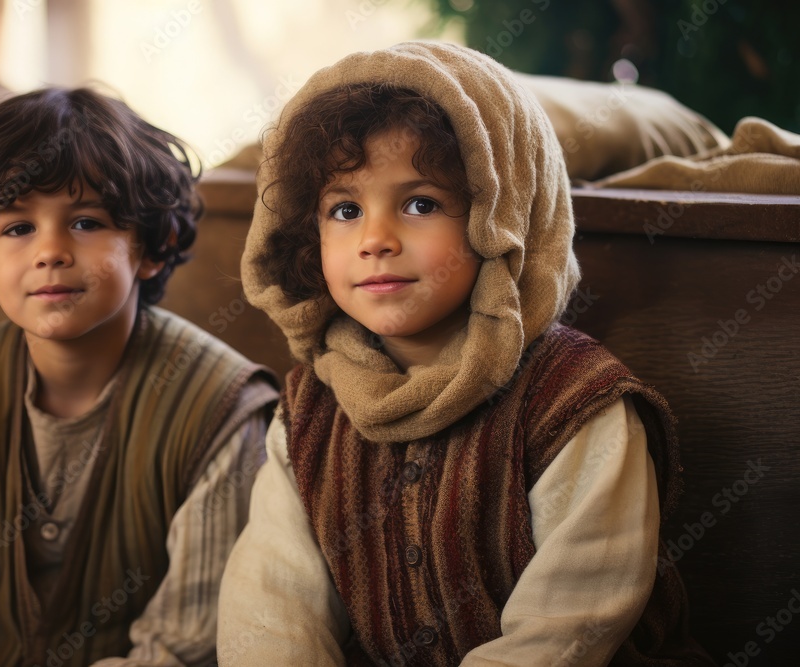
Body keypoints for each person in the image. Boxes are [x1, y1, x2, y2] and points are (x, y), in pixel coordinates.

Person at [217, 42, 714, 665]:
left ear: (504, 217)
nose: (375, 240)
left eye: (421, 204)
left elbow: (565, 633)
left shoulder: (577, 404)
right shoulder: (310, 410)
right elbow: (270, 610)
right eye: (345, 210)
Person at [0, 87, 279, 666]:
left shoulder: (219, 409)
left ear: (152, 247)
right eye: (18, 228)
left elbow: (189, 647)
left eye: (87, 221)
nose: (50, 251)